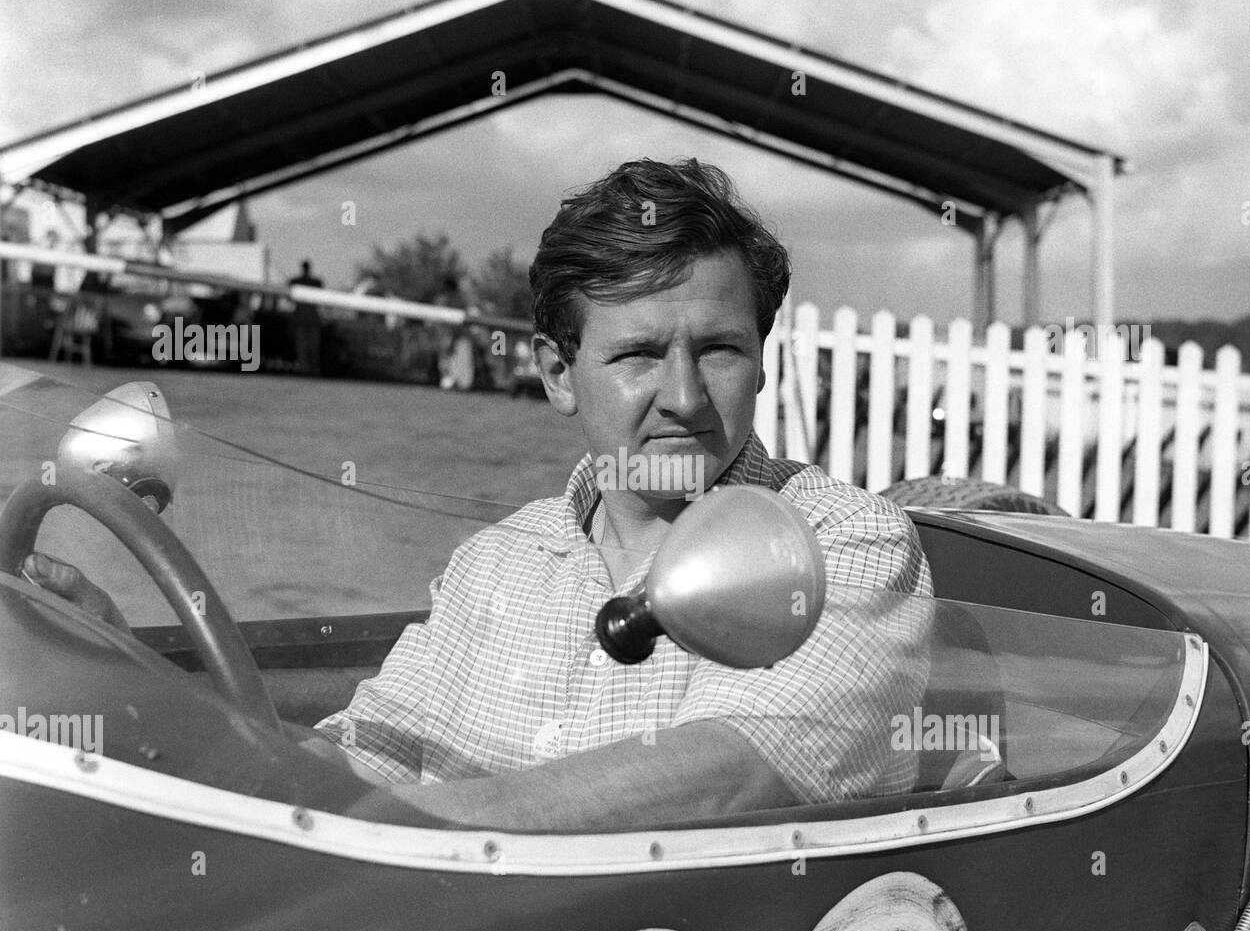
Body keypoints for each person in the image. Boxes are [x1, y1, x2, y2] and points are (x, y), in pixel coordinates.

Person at [23, 159, 933, 832]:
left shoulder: (837, 540)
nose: (687, 398)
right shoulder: (500, 562)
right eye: (639, 355)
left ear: (762, 363)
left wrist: (412, 829)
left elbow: (743, 770)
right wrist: (118, 676)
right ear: (557, 373)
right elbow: (358, 754)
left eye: (721, 350)